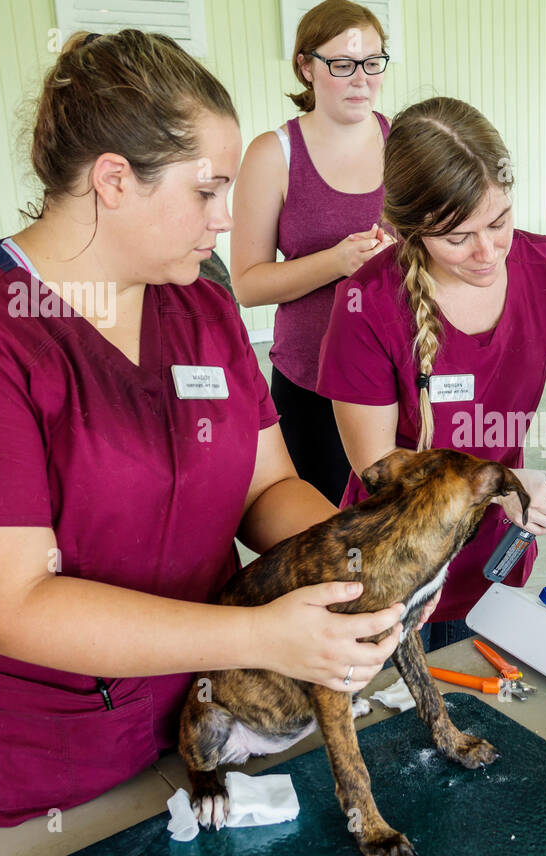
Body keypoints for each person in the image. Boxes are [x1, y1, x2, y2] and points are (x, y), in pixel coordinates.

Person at [0, 30, 409, 847]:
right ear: (113, 180)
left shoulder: (199, 306)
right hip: (34, 758)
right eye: (207, 192)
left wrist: (360, 571)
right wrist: (267, 634)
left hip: (204, 716)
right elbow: (8, 606)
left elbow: (266, 487)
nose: (228, 219)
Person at [317, 97, 546, 652]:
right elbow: (377, 469)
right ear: (405, 229)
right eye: (457, 237)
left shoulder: (545, 266)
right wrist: (499, 486)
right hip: (397, 562)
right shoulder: (366, 304)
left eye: (499, 221)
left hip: (497, 550)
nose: (488, 252)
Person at [229, 0, 395, 506]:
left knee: (395, 525)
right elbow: (247, 284)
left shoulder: (405, 143)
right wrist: (337, 262)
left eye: (372, 62)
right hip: (310, 378)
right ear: (306, 66)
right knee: (322, 530)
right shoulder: (272, 154)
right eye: (342, 65)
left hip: (396, 373)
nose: (361, 79)